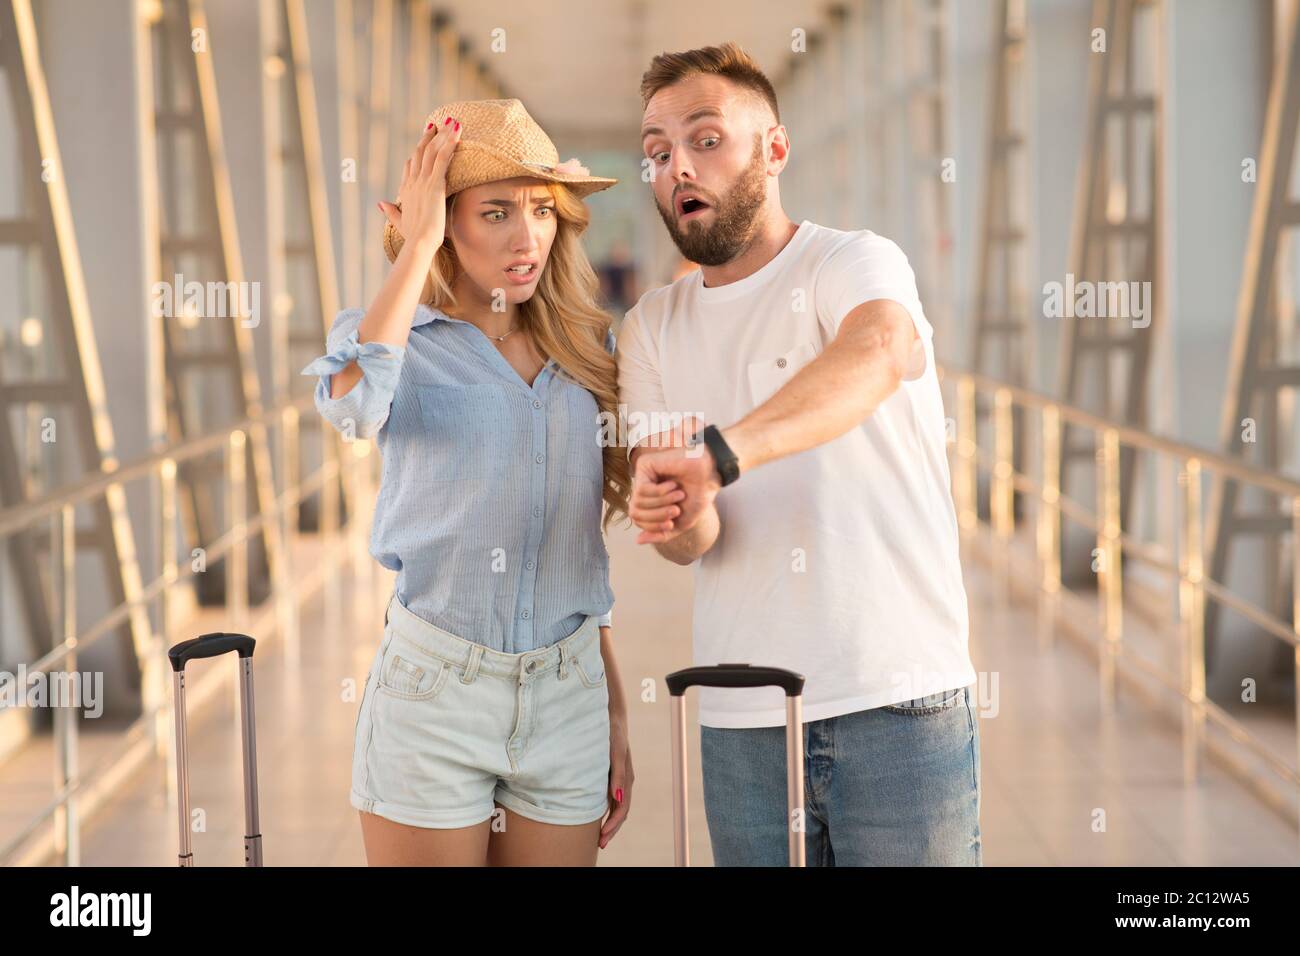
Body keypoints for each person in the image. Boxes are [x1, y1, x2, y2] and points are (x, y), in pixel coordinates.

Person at [617, 43, 981, 866]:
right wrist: (677, 510)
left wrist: (718, 455)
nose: (679, 166)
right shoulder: (649, 328)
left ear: (774, 149)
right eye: (658, 152)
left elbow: (879, 349)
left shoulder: (853, 261)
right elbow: (687, 545)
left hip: (898, 703)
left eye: (706, 139)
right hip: (741, 718)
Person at [301, 98, 633, 866]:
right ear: (445, 219)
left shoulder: (589, 351)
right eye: (495, 213)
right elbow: (353, 411)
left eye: (543, 212)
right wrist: (415, 246)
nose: (528, 239)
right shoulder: (390, 338)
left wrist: (614, 707)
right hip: (434, 693)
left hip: (568, 691)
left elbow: (583, 555)